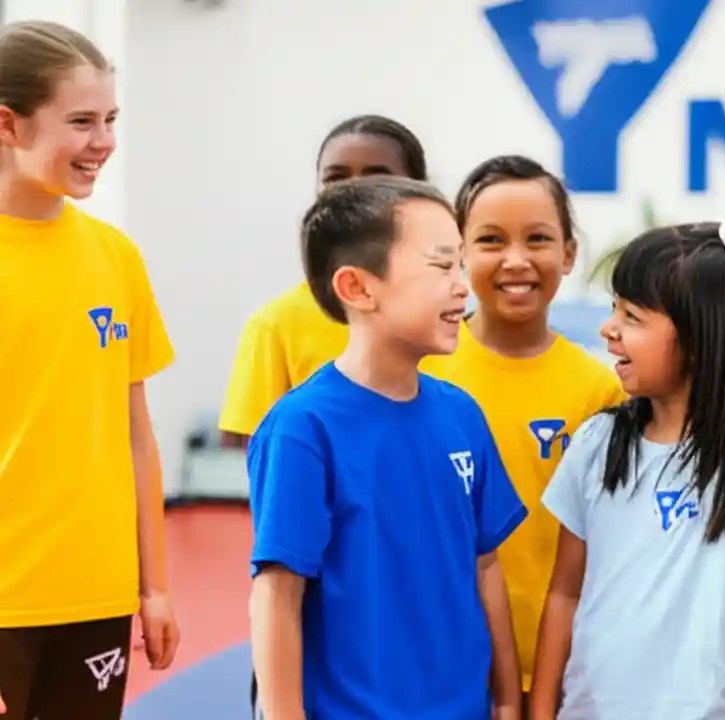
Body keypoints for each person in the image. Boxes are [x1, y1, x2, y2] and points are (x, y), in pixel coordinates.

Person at [247, 177, 526, 718]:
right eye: (441, 266)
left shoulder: (462, 415)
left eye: (460, 265)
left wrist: (508, 700)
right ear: (357, 288)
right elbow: (277, 595)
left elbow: (486, 566)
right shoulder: (303, 428)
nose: (463, 287)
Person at [529, 222, 725, 719]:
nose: (609, 329)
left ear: (702, 337)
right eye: (615, 308)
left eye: (632, 316)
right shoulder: (597, 444)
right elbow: (563, 593)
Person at [0, 20, 179, 719]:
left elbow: (136, 436)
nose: (103, 141)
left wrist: (153, 586)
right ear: (8, 124)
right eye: (81, 121)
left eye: (110, 119)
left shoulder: (115, 258)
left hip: (95, 596)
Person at [423, 155, 626, 700]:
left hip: (568, 671)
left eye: (537, 239)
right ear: (459, 252)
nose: (516, 260)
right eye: (491, 240)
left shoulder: (601, 391)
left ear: (569, 253)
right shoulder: (423, 375)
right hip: (446, 668)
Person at [219, 113, 429, 448]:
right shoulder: (275, 326)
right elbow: (248, 453)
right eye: (336, 177)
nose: (353, 190)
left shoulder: (448, 316)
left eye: (377, 176)